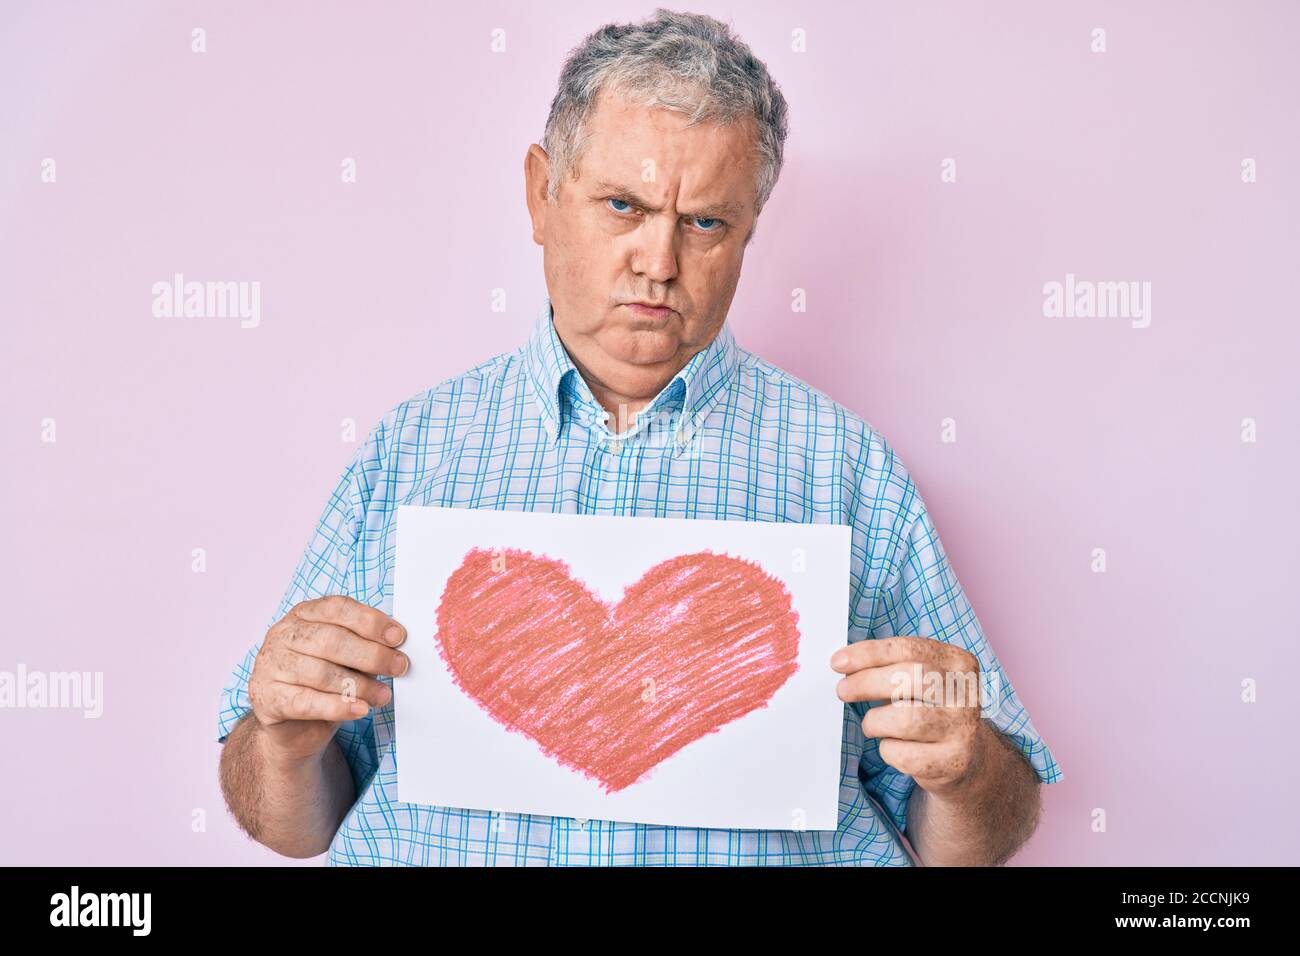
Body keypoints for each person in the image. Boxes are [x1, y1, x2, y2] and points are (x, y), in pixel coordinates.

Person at [217, 7, 1061, 866]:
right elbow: (291, 825)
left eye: (705, 223)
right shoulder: (409, 450)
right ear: (541, 194)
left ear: (749, 233)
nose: (658, 262)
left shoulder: (847, 469)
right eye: (623, 204)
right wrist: (282, 738)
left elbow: (978, 836)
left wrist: (967, 771)